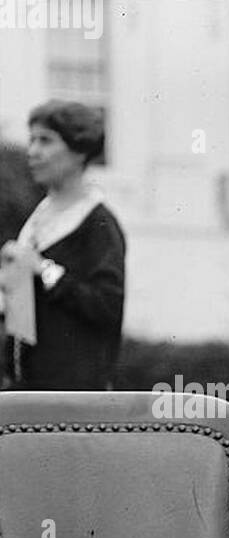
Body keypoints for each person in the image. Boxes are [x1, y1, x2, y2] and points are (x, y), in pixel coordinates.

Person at [0, 100, 125, 390]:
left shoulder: (98, 224)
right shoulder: (36, 219)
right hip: (26, 390)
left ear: (79, 149)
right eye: (32, 140)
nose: (33, 152)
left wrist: (42, 268)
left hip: (73, 397)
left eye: (46, 141)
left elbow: (106, 306)